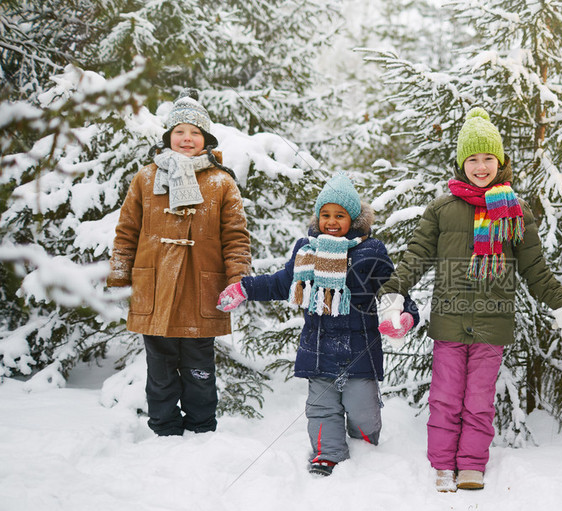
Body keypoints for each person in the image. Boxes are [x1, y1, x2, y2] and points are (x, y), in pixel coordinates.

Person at [376, 107, 562, 492]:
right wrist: (393, 290)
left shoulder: (515, 212)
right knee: (444, 397)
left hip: (492, 324)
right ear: (461, 163)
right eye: (472, 158)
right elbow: (417, 256)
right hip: (450, 322)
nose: (481, 165)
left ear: (501, 160)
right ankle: (442, 464)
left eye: (488, 157)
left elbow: (535, 269)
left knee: (478, 400)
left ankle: (472, 464)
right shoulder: (442, 209)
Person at [216, 173, 419, 477]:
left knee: (362, 411)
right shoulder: (306, 250)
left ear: (354, 219)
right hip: (319, 348)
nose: (331, 221)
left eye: (340, 215)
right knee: (322, 408)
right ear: (318, 216)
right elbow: (280, 283)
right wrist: (245, 288)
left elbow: (395, 290)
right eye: (325, 214)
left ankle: (367, 449)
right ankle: (328, 453)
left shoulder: (371, 252)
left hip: (359, 350)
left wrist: (406, 316)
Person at [107, 88, 251, 437]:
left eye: (195, 132)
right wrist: (119, 272)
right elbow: (127, 230)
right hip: (155, 287)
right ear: (168, 137)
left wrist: (238, 279)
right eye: (180, 132)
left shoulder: (221, 181)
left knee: (200, 367)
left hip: (202, 288)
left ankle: (202, 430)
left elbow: (236, 237)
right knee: (159, 368)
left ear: (206, 139)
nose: (187, 139)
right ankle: (164, 429)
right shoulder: (145, 177)